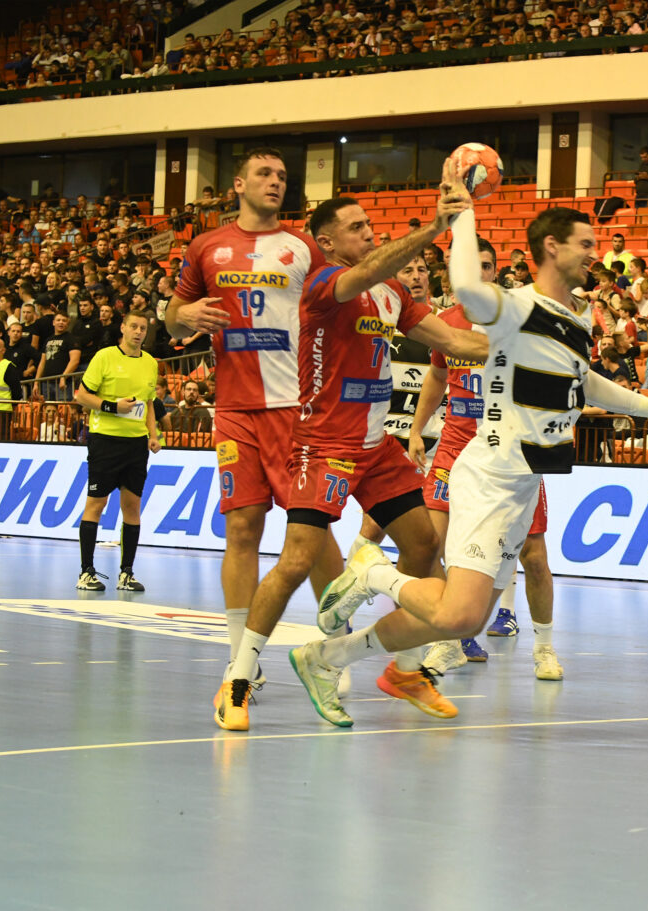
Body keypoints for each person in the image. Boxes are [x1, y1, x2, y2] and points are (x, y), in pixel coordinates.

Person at [287, 205, 648, 727]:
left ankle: (330, 659)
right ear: (552, 248)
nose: (594, 252)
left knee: (467, 618)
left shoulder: (574, 315)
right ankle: (372, 572)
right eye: (585, 243)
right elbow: (464, 285)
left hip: (526, 480)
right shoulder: (516, 307)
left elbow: (584, 381)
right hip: (490, 475)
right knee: (457, 614)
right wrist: (459, 213)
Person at [215, 169, 488, 732]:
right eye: (356, 227)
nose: (368, 232)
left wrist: (535, 346)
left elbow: (457, 341)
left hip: (376, 446)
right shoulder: (321, 286)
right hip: (323, 443)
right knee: (295, 561)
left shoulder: (390, 294)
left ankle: (405, 671)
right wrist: (437, 226)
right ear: (327, 242)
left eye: (370, 225)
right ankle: (237, 678)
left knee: (423, 545)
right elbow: (368, 268)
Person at [167, 147, 347, 705]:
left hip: (298, 409)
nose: (276, 183)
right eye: (266, 175)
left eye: (283, 176)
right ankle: (239, 655)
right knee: (241, 530)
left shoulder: (304, 247)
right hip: (235, 410)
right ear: (238, 183)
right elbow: (174, 317)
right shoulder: (205, 247)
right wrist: (183, 315)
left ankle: (333, 650)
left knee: (312, 537)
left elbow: (338, 307)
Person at [406, 239, 563, 681]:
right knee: (432, 545)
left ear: (498, 271)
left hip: (510, 455)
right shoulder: (444, 324)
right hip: (455, 448)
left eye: (489, 266)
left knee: (533, 554)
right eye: (472, 268)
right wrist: (418, 428)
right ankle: (448, 639)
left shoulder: (519, 320)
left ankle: (544, 648)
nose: (482, 274)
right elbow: (438, 374)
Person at [71, 310, 160, 593]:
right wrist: (112, 407)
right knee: (96, 504)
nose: (138, 332)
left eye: (143, 328)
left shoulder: (150, 363)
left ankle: (127, 574)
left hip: (136, 445)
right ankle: (86, 572)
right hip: (105, 441)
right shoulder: (105, 357)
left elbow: (147, 403)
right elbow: (81, 395)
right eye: (133, 326)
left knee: (132, 507)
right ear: (123, 328)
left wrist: (153, 436)